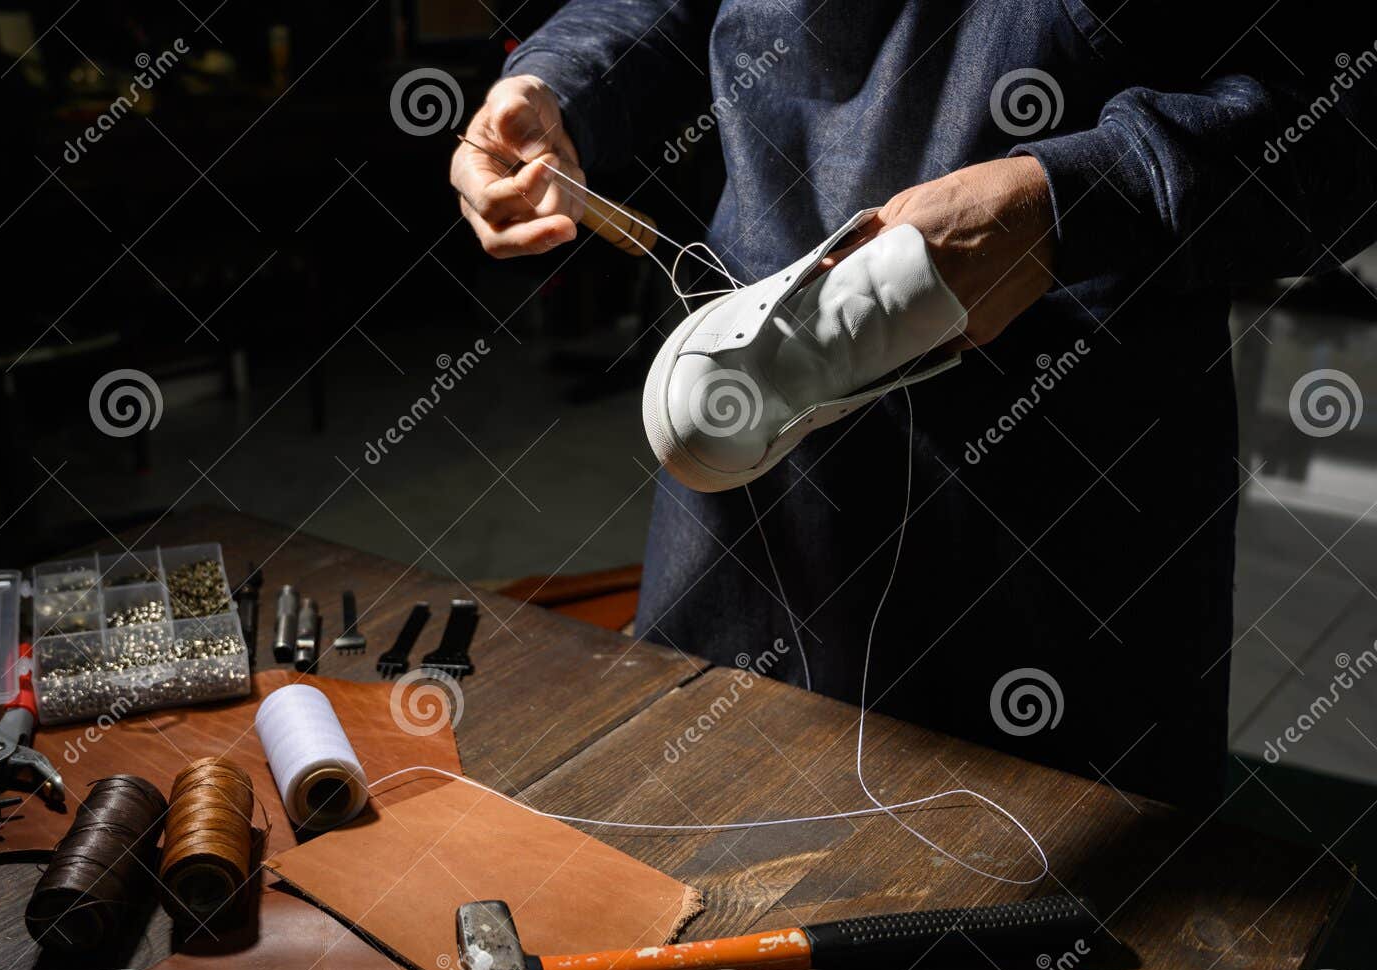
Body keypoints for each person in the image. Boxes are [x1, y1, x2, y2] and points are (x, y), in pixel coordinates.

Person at [449, 2, 1377, 808]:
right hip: (754, 452)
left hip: (1071, 505)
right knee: (697, 831)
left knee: (1076, 950)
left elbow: (1351, 118)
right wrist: (558, 83)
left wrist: (1078, 198)